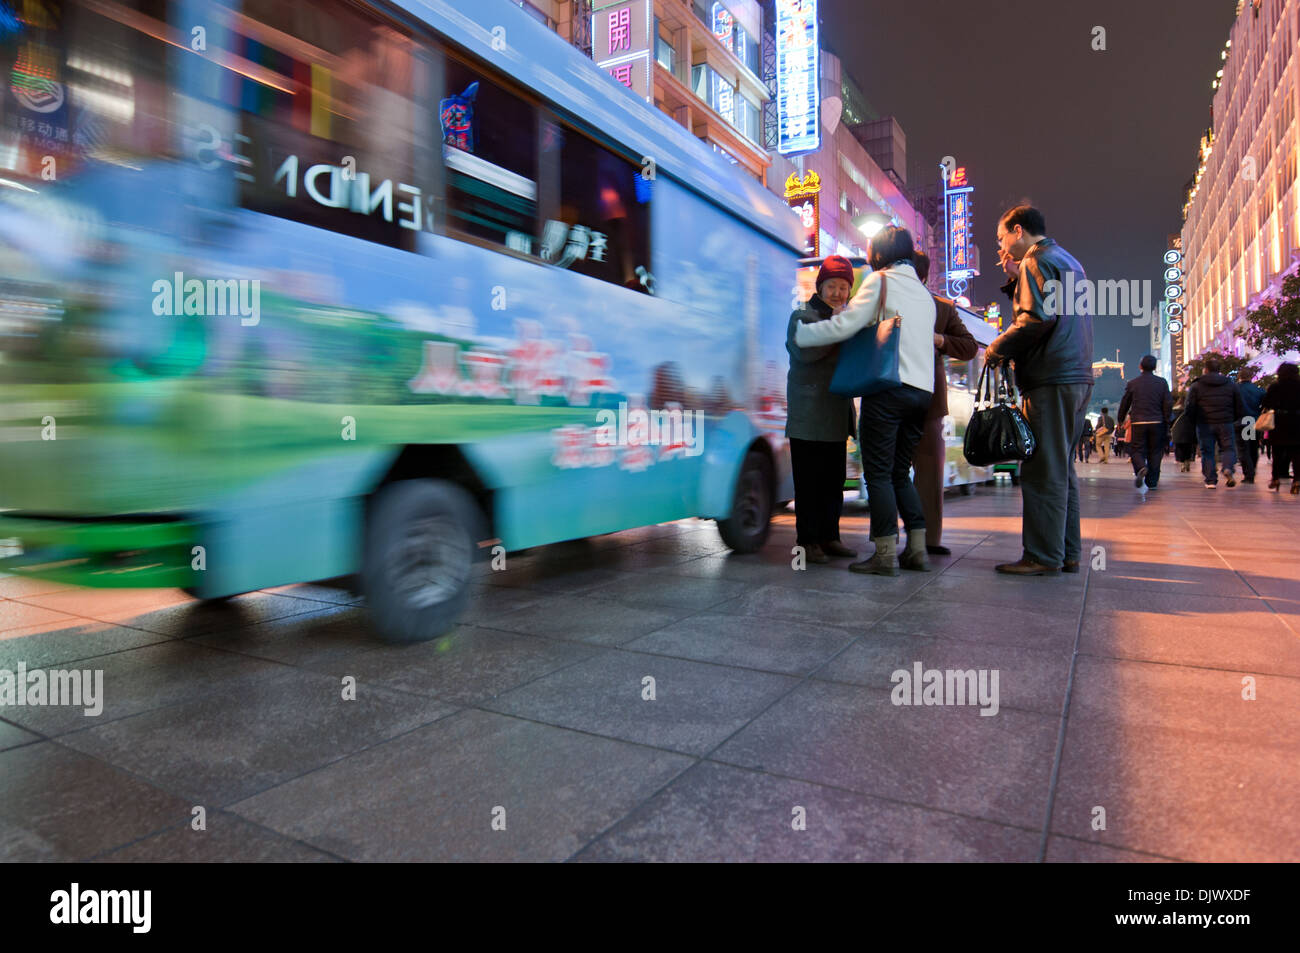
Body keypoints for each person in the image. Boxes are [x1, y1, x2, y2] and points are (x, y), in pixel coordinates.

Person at [795, 226, 936, 575]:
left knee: (878, 474)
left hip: (888, 390)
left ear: (880, 254)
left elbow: (845, 326)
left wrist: (805, 333)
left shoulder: (881, 282)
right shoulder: (923, 293)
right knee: (901, 473)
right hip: (922, 393)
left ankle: (885, 553)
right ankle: (917, 548)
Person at [983, 206, 1093, 575]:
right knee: (1061, 468)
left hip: (1050, 377)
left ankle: (1042, 556)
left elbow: (1037, 319)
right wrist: (1016, 280)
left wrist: (997, 347)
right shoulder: (1070, 261)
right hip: (1076, 376)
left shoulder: (1036, 260)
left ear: (1018, 230)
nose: (1000, 246)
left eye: (1001, 238)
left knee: (1043, 469)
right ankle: (1067, 552)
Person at [785, 255, 859, 563]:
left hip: (835, 413)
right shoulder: (803, 314)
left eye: (844, 287)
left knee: (833, 481)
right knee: (808, 483)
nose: (839, 293)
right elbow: (807, 351)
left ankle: (830, 537)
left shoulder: (846, 316)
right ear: (820, 286)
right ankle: (807, 543)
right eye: (833, 286)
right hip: (808, 414)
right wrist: (842, 325)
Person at [910, 251, 978, 555]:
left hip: (928, 405)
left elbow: (969, 347)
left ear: (921, 276)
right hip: (891, 399)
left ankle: (928, 541)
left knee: (928, 476)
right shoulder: (883, 301)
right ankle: (891, 541)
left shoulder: (942, 308)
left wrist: (939, 340)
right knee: (888, 474)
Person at [1185, 356, 1246, 488]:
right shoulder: (1231, 384)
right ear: (1219, 370)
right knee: (1228, 448)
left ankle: (1211, 480)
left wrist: (1193, 420)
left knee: (1207, 451)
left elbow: (1190, 406)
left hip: (1204, 423)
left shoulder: (1196, 385)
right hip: (1225, 422)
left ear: (1205, 370)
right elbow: (1239, 405)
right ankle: (1228, 468)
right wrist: (1233, 418)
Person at [1117, 354, 1173, 490]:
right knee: (1155, 451)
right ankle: (1152, 482)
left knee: (1136, 449)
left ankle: (1141, 467)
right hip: (1157, 422)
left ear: (1140, 366)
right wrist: (1167, 419)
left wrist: (1120, 419)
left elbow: (1125, 403)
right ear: (1155, 367)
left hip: (1138, 422)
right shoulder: (1162, 382)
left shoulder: (1133, 383)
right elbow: (1168, 403)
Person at [1261, 362, 1300, 493]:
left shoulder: (1275, 387)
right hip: (1297, 422)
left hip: (1278, 421)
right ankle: (1297, 480)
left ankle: (1275, 478)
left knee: (1277, 452)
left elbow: (1265, 403)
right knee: (1297, 454)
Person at [1235, 368, 1266, 484]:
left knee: (1243, 449)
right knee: (1253, 447)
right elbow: (1265, 405)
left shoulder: (1235, 389)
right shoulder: (1259, 390)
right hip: (1254, 421)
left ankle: (1249, 474)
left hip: (1241, 421)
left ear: (1239, 376)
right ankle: (1252, 469)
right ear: (1251, 377)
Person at [1171, 398, 1197, 471]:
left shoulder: (1174, 411)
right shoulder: (1190, 411)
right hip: (1189, 432)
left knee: (1180, 448)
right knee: (1188, 448)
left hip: (1177, 432)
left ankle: (1182, 463)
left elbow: (1171, 421)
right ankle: (1187, 461)